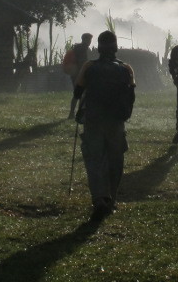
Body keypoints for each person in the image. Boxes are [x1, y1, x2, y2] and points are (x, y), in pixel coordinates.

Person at [72, 30, 136, 221]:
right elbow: (131, 95)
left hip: (93, 120)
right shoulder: (126, 68)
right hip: (116, 122)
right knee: (116, 161)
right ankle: (112, 199)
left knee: (94, 159)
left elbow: (77, 92)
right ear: (116, 47)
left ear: (98, 48)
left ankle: (99, 198)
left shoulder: (89, 66)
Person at [64, 32, 94, 119]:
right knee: (81, 93)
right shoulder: (83, 49)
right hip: (80, 73)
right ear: (85, 39)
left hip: (75, 73)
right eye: (89, 40)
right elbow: (83, 62)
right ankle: (78, 113)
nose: (90, 42)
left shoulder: (77, 48)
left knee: (78, 93)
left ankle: (73, 113)